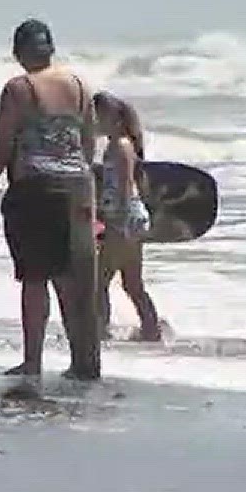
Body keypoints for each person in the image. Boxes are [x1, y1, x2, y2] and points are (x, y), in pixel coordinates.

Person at [0, 19, 97, 378]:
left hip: (36, 187)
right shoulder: (80, 85)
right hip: (78, 185)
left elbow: (4, 144)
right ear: (51, 48)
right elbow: (89, 143)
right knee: (72, 280)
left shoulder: (19, 88)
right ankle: (81, 361)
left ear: (17, 53)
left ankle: (33, 361)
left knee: (35, 277)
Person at [93, 91, 165, 342]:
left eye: (97, 117)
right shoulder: (118, 145)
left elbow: (124, 185)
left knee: (99, 281)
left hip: (124, 218)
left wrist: (117, 223)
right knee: (132, 283)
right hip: (129, 218)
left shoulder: (121, 146)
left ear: (113, 118)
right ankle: (151, 329)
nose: (93, 122)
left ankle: (100, 331)